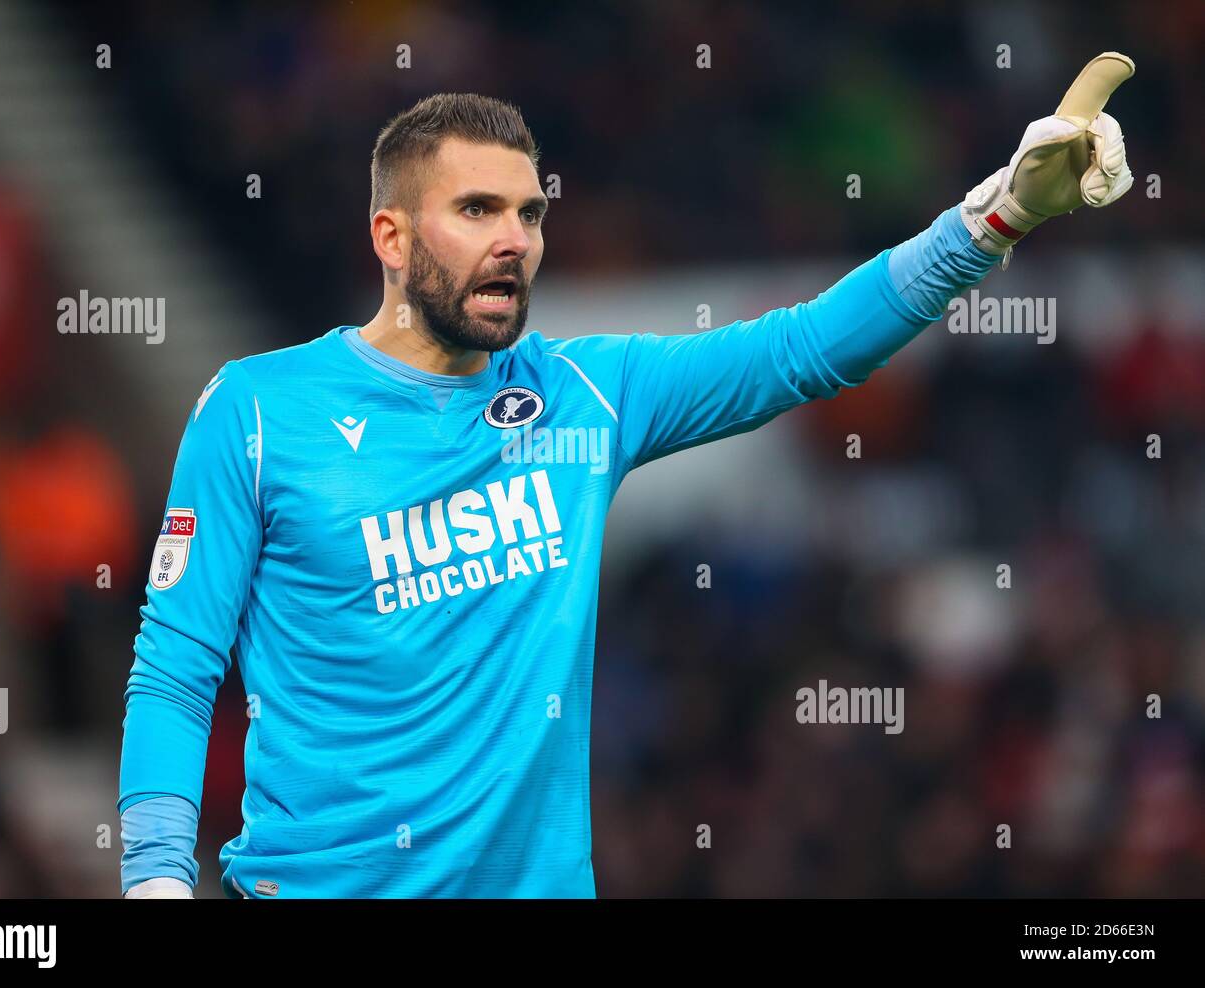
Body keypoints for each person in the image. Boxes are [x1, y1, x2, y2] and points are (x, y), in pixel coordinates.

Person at [119, 55, 1135, 898]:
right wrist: (156, 883)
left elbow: (806, 349)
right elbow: (175, 667)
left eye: (528, 212)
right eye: (477, 209)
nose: (514, 239)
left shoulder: (584, 399)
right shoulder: (257, 411)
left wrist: (995, 215)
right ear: (390, 237)